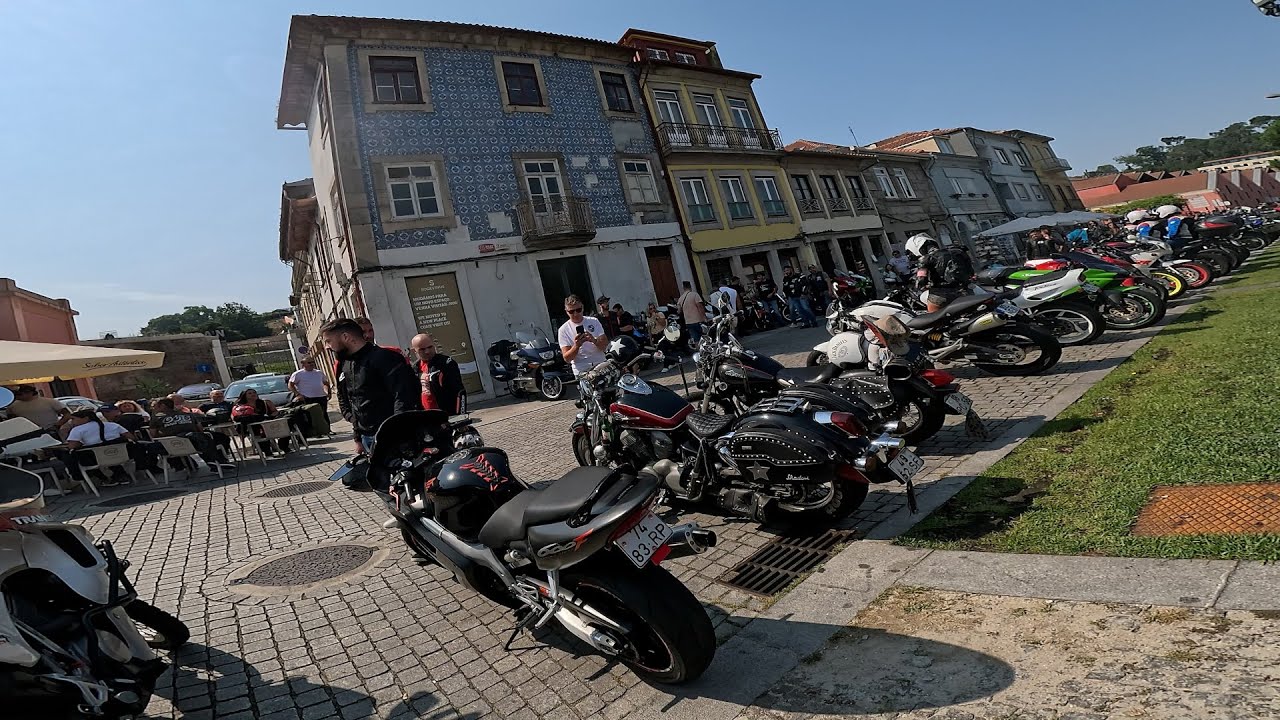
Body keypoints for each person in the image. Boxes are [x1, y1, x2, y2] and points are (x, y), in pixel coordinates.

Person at [323, 318, 422, 452]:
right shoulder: (344, 364)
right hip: (367, 438)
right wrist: (357, 435)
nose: (327, 347)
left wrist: (397, 432)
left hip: (394, 436)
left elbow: (404, 396)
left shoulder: (385, 358)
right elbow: (350, 399)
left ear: (345, 337)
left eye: (328, 341)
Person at [148, 398, 234, 469]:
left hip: (173, 447)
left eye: (155, 406)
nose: (153, 408)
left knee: (152, 446)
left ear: (162, 406)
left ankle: (184, 466)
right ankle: (217, 460)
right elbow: (200, 429)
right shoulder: (189, 415)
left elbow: (153, 435)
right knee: (217, 438)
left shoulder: (156, 418)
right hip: (196, 444)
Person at [906, 232, 976, 313]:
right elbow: (971, 271)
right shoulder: (959, 252)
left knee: (933, 320)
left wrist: (920, 284)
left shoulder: (924, 260)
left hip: (941, 295)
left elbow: (921, 281)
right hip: (966, 291)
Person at [410, 332, 466, 415]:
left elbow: (459, 391)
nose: (427, 351)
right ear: (415, 351)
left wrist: (461, 416)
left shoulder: (446, 363)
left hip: (446, 413)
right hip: (425, 415)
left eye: (430, 347)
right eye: (422, 349)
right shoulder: (414, 368)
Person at [557, 295, 610, 377]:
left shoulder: (593, 321)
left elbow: (605, 346)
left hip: (600, 363)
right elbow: (567, 358)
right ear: (566, 311)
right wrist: (576, 345)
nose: (575, 314)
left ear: (583, 308)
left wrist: (594, 340)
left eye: (578, 310)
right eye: (571, 311)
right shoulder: (563, 330)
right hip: (582, 368)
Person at [232, 388, 290, 455]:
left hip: (269, 422)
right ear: (244, 396)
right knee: (258, 431)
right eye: (250, 393)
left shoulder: (264, 402)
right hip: (254, 426)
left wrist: (269, 416)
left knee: (284, 423)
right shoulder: (240, 407)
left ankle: (284, 446)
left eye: (254, 392)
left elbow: (275, 412)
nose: (253, 394)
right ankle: (267, 451)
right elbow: (235, 417)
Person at [4, 385, 71, 433]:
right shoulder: (12, 406)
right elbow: (11, 420)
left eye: (19, 394)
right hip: (26, 433)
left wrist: (57, 425)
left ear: (30, 392)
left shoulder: (49, 401)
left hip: (49, 430)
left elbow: (67, 414)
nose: (17, 396)